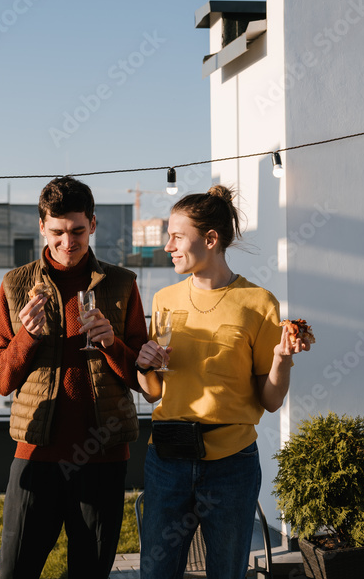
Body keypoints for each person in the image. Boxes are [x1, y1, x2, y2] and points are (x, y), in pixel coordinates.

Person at [135, 186, 310, 579]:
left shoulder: (258, 303)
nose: (168, 246)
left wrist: (281, 360)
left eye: (177, 237)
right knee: (157, 573)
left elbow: (270, 400)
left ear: (210, 239)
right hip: (167, 460)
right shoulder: (164, 300)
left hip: (231, 465)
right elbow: (154, 392)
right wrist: (143, 365)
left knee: (226, 573)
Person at [0, 176, 149, 579]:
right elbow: (0, 380)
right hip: (36, 456)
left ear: (93, 224)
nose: (68, 242)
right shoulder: (15, 285)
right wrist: (27, 336)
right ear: (41, 226)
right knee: (15, 573)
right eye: (57, 231)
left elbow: (143, 378)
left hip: (103, 458)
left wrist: (112, 343)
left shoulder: (122, 284)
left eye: (77, 230)